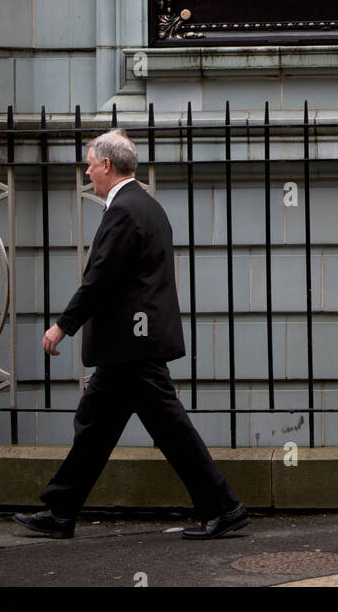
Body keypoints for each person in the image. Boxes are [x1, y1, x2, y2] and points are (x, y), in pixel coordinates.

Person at [13, 128, 247, 541]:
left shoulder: (123, 210)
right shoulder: (147, 205)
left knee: (163, 429)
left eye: (89, 163)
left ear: (106, 165)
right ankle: (62, 509)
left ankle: (224, 507)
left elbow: (101, 278)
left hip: (131, 346)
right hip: (134, 344)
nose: (86, 171)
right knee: (98, 425)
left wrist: (62, 326)